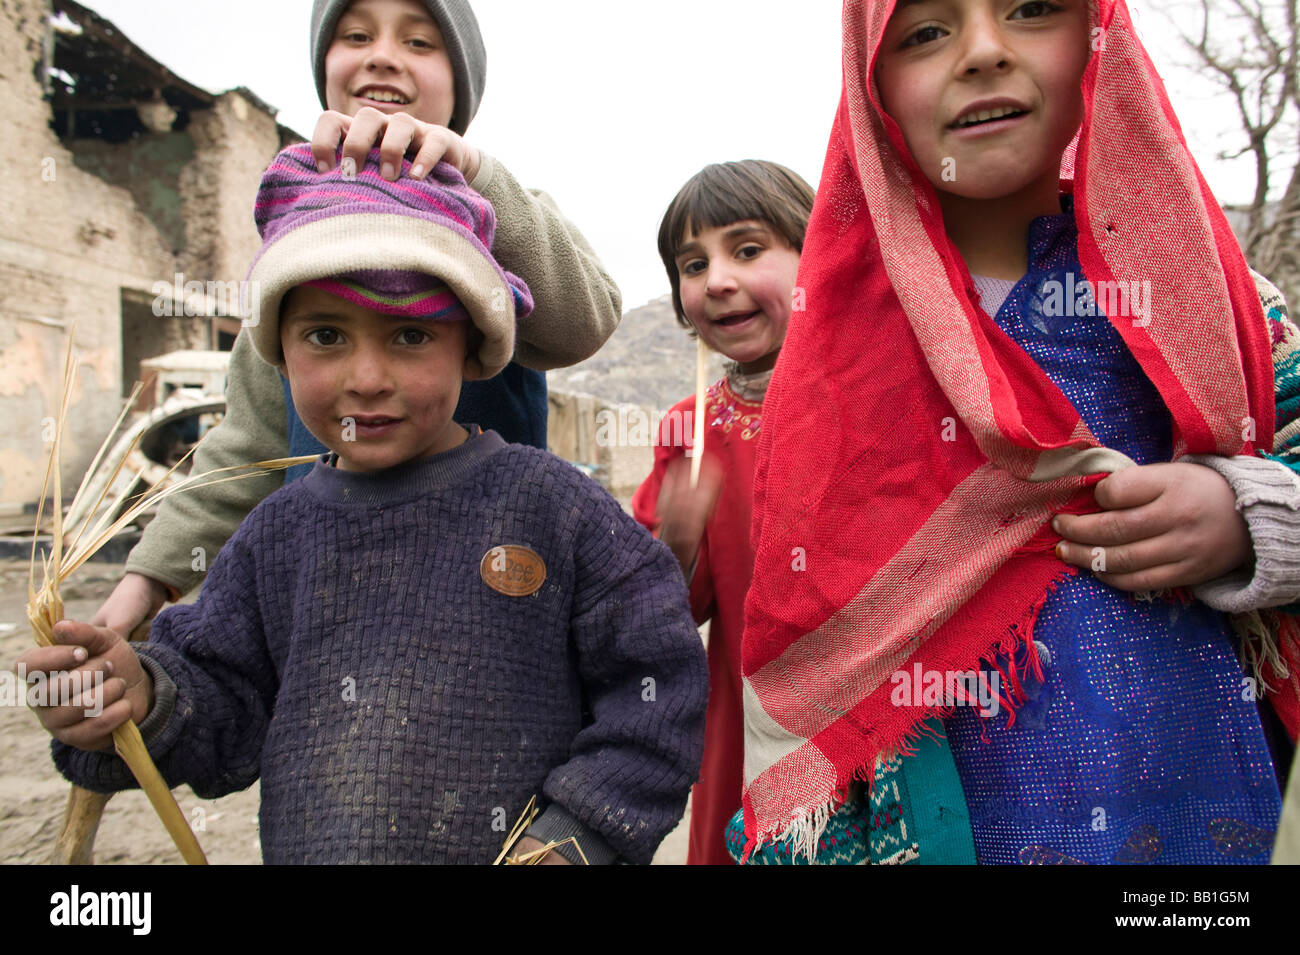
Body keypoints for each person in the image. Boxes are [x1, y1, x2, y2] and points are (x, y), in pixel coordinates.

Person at [19, 146, 707, 865]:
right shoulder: (276, 537)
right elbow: (220, 703)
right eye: (325, 335)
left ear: (471, 346)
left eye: (410, 335)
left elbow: (658, 685)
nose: (368, 378)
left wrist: (578, 837)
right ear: (279, 354)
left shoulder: (552, 510)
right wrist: (137, 699)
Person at [737, 0, 1300, 865]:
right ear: (869, 83)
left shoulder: (1212, 306)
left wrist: (1249, 515)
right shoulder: (833, 373)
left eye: (1033, 10)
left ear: (1099, 38)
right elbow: (806, 644)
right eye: (926, 32)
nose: (984, 53)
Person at [91, 0, 621, 642]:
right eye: (356, 35)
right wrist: (146, 583)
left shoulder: (501, 220)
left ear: (462, 90)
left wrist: (477, 177)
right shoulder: (300, 243)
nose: (383, 55)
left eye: (421, 43)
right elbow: (246, 447)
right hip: (320, 604)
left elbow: (583, 325)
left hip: (488, 603)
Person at [631, 161, 814, 865]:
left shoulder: (865, 393)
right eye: (692, 263)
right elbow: (675, 613)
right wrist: (674, 545)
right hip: (744, 721)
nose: (717, 280)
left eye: (746, 250)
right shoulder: (691, 427)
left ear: (816, 254)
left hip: (867, 708)